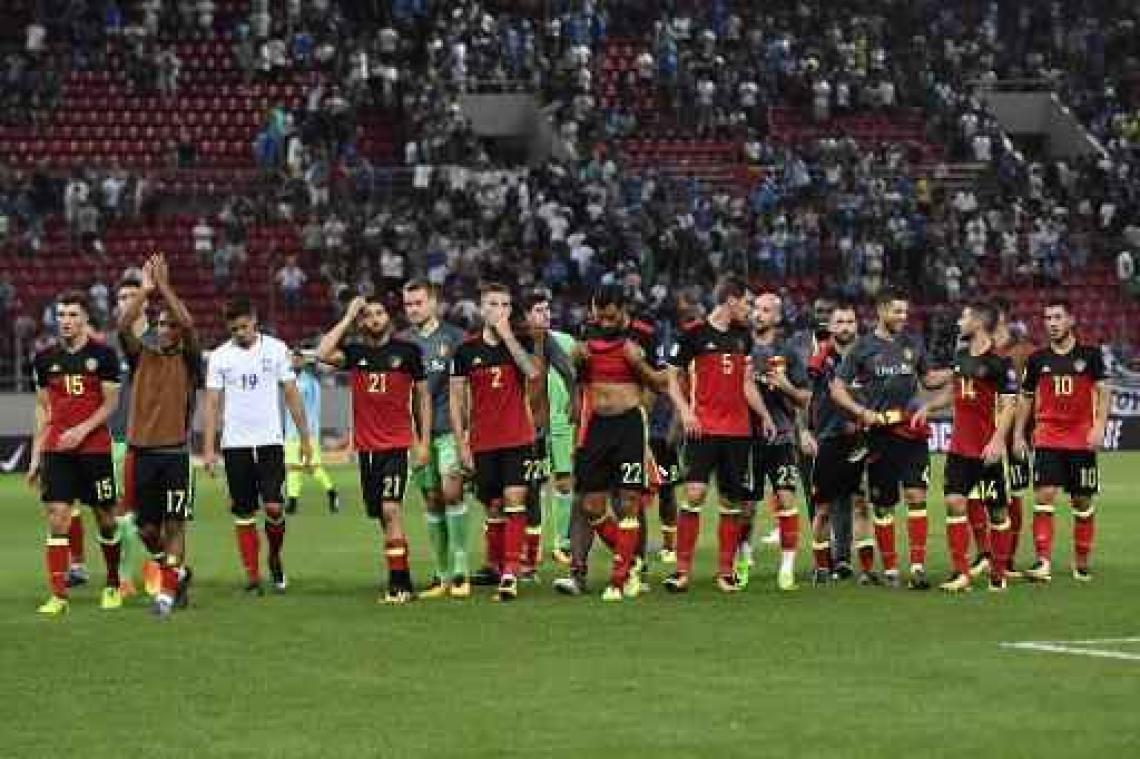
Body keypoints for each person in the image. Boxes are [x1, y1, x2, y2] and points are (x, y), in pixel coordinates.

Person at [552, 285, 666, 600]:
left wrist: (641, 409)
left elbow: (659, 382)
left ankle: (629, 572)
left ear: (623, 310)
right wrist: (575, 393)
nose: (602, 322)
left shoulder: (643, 334)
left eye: (609, 317)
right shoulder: (587, 332)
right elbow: (579, 377)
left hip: (630, 423)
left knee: (628, 499)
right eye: (598, 316)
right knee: (586, 501)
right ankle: (587, 571)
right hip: (594, 423)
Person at [831, 287, 949, 590]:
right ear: (882, 311)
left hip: (911, 433)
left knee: (916, 496)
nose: (903, 316)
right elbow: (837, 388)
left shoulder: (913, 343)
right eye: (897, 311)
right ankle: (892, 568)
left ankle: (918, 568)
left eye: (905, 311)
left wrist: (959, 369)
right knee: (883, 505)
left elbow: (929, 379)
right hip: (879, 436)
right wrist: (862, 412)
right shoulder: (863, 348)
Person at [664, 276, 776, 593]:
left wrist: (764, 415)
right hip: (703, 427)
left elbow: (746, 382)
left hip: (738, 431)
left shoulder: (743, 337)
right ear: (731, 300)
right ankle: (681, 571)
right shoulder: (693, 335)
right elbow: (671, 380)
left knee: (731, 501)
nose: (750, 310)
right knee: (694, 493)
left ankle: (725, 573)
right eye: (747, 303)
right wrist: (686, 413)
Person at [317, 296, 430, 604]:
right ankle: (401, 574)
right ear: (362, 322)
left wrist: (422, 442)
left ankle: (399, 586)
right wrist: (347, 317)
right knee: (381, 514)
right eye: (368, 315)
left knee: (391, 509)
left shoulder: (407, 353)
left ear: (388, 318)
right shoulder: (355, 354)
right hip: (367, 451)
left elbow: (422, 398)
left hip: (396, 446)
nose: (375, 318)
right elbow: (322, 352)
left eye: (380, 313)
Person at [202, 297, 312, 594]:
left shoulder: (276, 349)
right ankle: (252, 576)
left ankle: (274, 556)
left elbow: (291, 394)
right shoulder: (219, 357)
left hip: (269, 442)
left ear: (254, 321)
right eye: (234, 329)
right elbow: (211, 403)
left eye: (244, 326)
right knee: (244, 512)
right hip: (235, 445)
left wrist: (305, 439)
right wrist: (209, 449)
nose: (240, 333)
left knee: (274, 507)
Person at [912, 301, 1017, 592]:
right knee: (954, 503)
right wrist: (929, 407)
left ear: (978, 323)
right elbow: (954, 392)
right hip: (959, 447)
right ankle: (961, 573)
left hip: (987, 450)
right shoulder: (960, 356)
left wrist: (998, 440)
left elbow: (1010, 404)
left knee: (998, 512)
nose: (959, 321)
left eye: (964, 317)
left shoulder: (999, 362)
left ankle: (998, 573)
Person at [117, 253, 201, 617]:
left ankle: (165, 595)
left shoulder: (189, 357)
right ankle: (177, 573)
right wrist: (145, 290)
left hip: (175, 454)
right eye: (160, 323)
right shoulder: (141, 354)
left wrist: (165, 287)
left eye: (170, 324)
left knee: (175, 524)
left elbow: (189, 322)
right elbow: (123, 325)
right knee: (147, 530)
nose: (164, 328)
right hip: (142, 453)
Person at [28, 292, 123, 615]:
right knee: (57, 517)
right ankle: (58, 596)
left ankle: (112, 583)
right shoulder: (44, 359)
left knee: (105, 519)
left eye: (72, 315)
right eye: (61, 315)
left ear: (85, 319)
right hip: (58, 450)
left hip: (95, 449)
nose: (65, 321)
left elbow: (110, 404)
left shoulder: (104, 356)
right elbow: (44, 410)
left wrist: (82, 431)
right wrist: (36, 455)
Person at [449, 282, 541, 602]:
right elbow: (456, 398)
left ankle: (511, 573)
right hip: (483, 440)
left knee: (515, 498)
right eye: (492, 304)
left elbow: (532, 373)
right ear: (481, 308)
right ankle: (499, 565)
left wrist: (508, 337)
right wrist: (461, 443)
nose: (498, 310)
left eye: (504, 305)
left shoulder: (521, 342)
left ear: (510, 311)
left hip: (517, 436)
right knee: (494, 504)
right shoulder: (466, 351)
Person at [1013, 299, 1110, 583]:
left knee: (1082, 499)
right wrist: (1018, 433)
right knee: (1044, 495)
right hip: (1048, 436)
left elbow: (1104, 392)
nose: (1052, 324)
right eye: (1048, 318)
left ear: (1071, 320)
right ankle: (1042, 562)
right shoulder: (1037, 359)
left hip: (1081, 438)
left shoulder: (1090, 355)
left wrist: (1099, 426)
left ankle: (1082, 560)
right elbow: (1025, 398)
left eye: (1057, 317)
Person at [401, 279, 471, 598]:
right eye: (408, 304)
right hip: (418, 436)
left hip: (449, 430)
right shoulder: (402, 342)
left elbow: (466, 388)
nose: (413, 309)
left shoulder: (456, 338)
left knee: (452, 492)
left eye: (418, 303)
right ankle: (441, 574)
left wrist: (467, 432)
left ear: (433, 302)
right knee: (432, 499)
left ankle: (460, 570)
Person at [803, 303, 878, 586]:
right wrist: (805, 431)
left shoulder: (868, 356)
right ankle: (822, 568)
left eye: (850, 321)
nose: (845, 327)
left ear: (856, 325)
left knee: (861, 505)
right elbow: (808, 398)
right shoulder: (820, 360)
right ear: (831, 327)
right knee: (822, 508)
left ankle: (867, 570)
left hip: (861, 438)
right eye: (840, 322)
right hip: (828, 439)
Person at [741, 292, 811, 590]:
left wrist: (786, 386)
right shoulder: (739, 345)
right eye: (756, 308)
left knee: (786, 499)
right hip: (745, 437)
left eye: (766, 310)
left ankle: (787, 568)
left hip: (781, 437)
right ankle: (743, 557)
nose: (758, 314)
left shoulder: (788, 352)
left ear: (778, 317)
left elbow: (805, 397)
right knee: (746, 506)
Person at [518, 290, 575, 581]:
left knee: (565, 482)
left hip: (562, 423)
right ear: (526, 315)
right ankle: (533, 547)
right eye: (539, 310)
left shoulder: (565, 342)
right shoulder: (519, 345)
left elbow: (575, 375)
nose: (546, 315)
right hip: (533, 424)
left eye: (547, 309)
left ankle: (562, 543)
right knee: (533, 487)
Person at [991, 297, 1036, 578]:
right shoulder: (977, 349)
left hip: (1012, 438)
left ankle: (1007, 560)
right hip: (982, 435)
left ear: (1002, 317)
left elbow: (1030, 395)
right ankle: (986, 555)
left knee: (1014, 496)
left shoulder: (1025, 352)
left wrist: (1021, 433)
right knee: (980, 498)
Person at [283, 348, 340, 515]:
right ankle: (293, 501)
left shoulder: (305, 382)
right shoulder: (296, 380)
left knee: (312, 466)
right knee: (293, 467)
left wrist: (307, 434)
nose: (294, 362)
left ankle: (332, 492)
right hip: (292, 431)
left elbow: (305, 408)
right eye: (292, 359)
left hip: (306, 432)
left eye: (297, 359)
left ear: (303, 362)